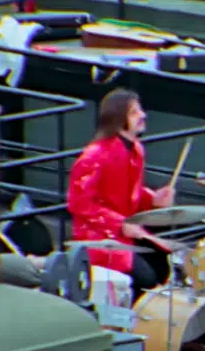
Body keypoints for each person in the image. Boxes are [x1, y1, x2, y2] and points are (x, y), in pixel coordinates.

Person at [67, 88, 175, 302]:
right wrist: (120, 224)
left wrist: (153, 199)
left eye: (140, 110)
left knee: (163, 267)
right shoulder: (94, 156)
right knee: (146, 276)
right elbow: (79, 203)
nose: (143, 115)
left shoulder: (136, 149)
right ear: (118, 118)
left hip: (126, 234)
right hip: (98, 236)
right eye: (134, 112)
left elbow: (130, 193)